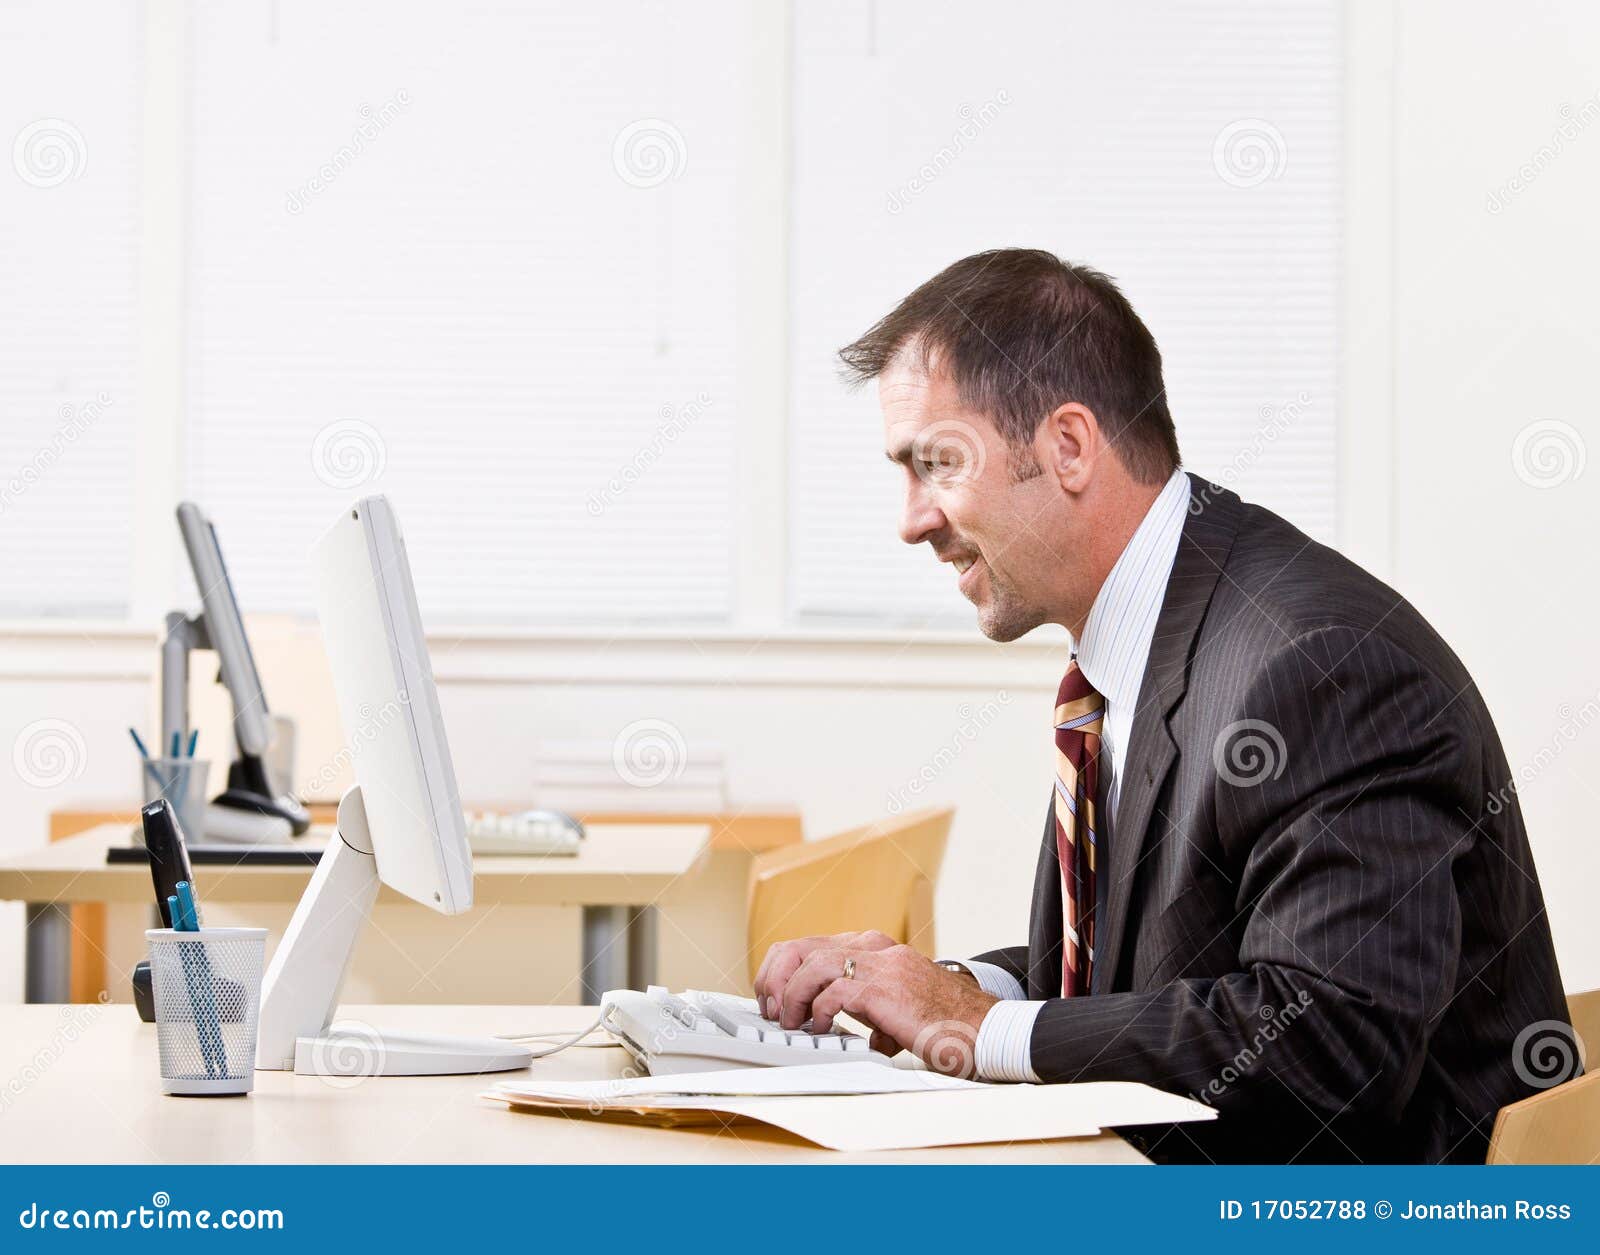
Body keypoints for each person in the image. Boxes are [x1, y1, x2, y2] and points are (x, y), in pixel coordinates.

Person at [753, 248, 1575, 1163]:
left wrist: (977, 1025)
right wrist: (938, 989)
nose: (911, 519)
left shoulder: (1320, 665)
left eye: (936, 464)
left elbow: (1330, 1044)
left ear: (1068, 446)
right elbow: (1137, 977)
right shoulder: (1146, 638)